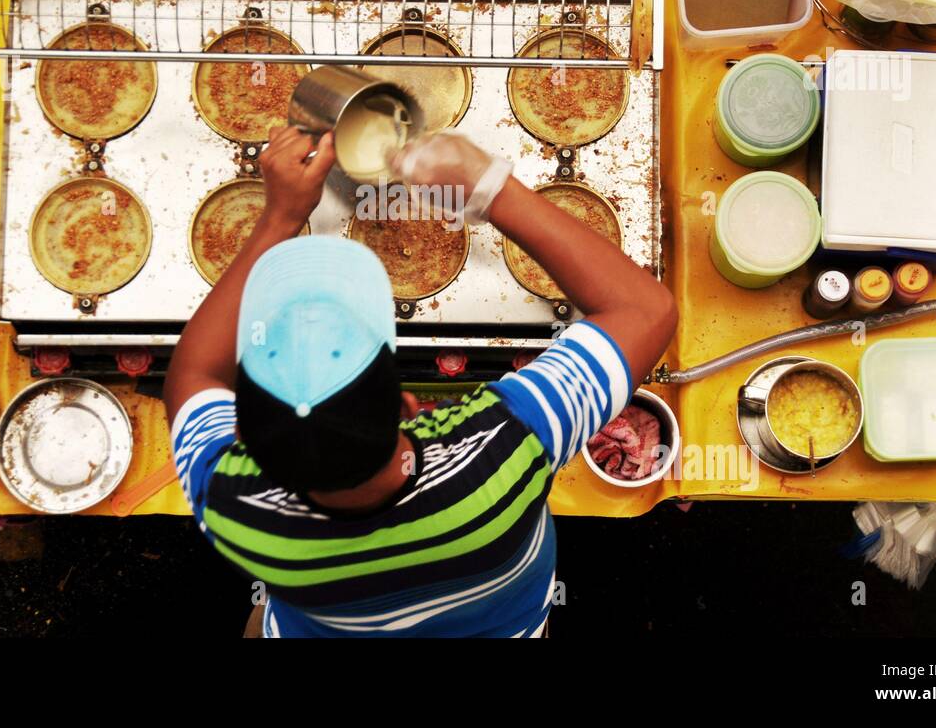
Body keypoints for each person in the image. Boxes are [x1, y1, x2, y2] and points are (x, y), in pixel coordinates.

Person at [164, 124, 677, 637]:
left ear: (245, 440)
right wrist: (489, 187)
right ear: (410, 406)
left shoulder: (234, 505)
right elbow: (645, 308)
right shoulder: (504, 448)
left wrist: (278, 217)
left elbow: (192, 372)